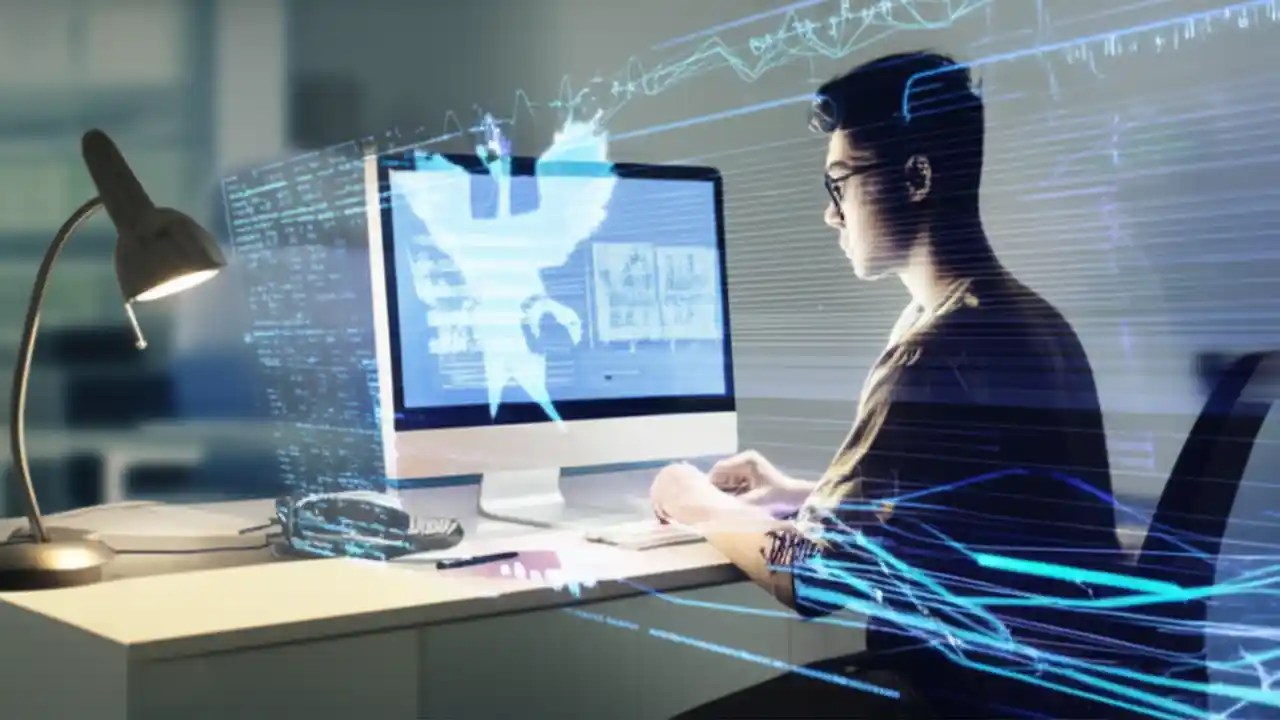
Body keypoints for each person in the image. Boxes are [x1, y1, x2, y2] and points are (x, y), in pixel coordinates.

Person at [648, 52, 1125, 718]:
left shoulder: (931, 354)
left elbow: (810, 578)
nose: (831, 214)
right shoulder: (1026, 318)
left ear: (917, 177)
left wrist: (693, 499)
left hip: (961, 697)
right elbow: (977, 510)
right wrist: (800, 493)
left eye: (839, 182)